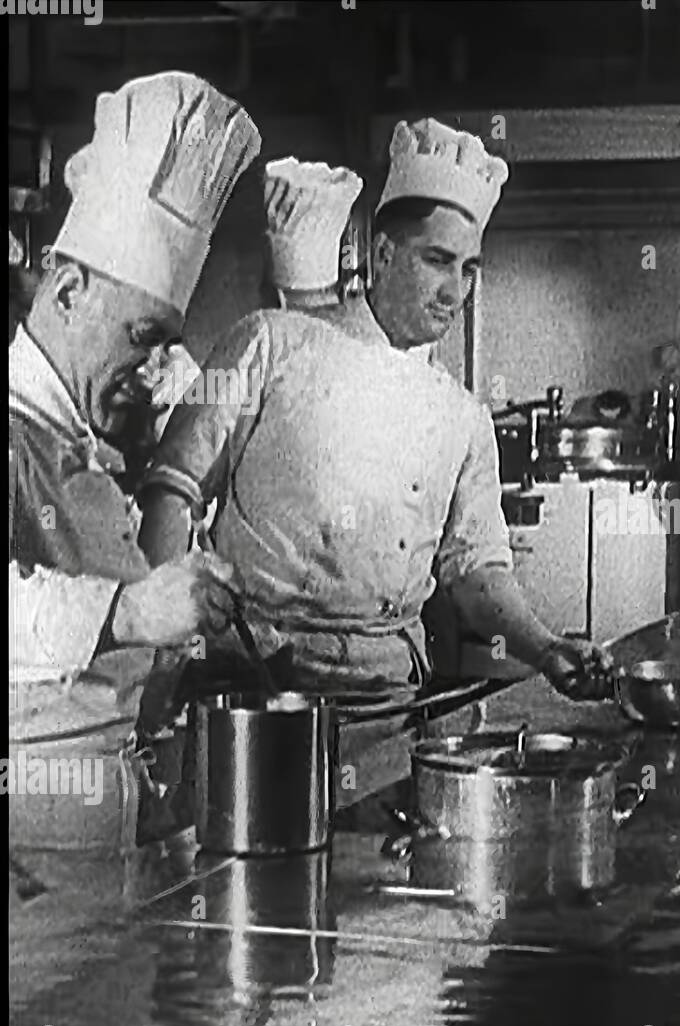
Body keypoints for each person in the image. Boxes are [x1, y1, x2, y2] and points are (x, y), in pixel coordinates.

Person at [136, 123, 610, 709]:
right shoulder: (266, 343)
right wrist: (153, 650)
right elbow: (172, 487)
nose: (453, 290)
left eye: (468, 269)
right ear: (383, 254)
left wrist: (544, 648)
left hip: (386, 698)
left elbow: (477, 569)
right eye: (437, 260)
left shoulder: (461, 417)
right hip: (251, 686)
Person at [9, 71, 261, 850]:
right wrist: (130, 611)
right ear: (70, 290)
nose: (156, 367)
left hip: (102, 819)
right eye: (144, 335)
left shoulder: (85, 444)